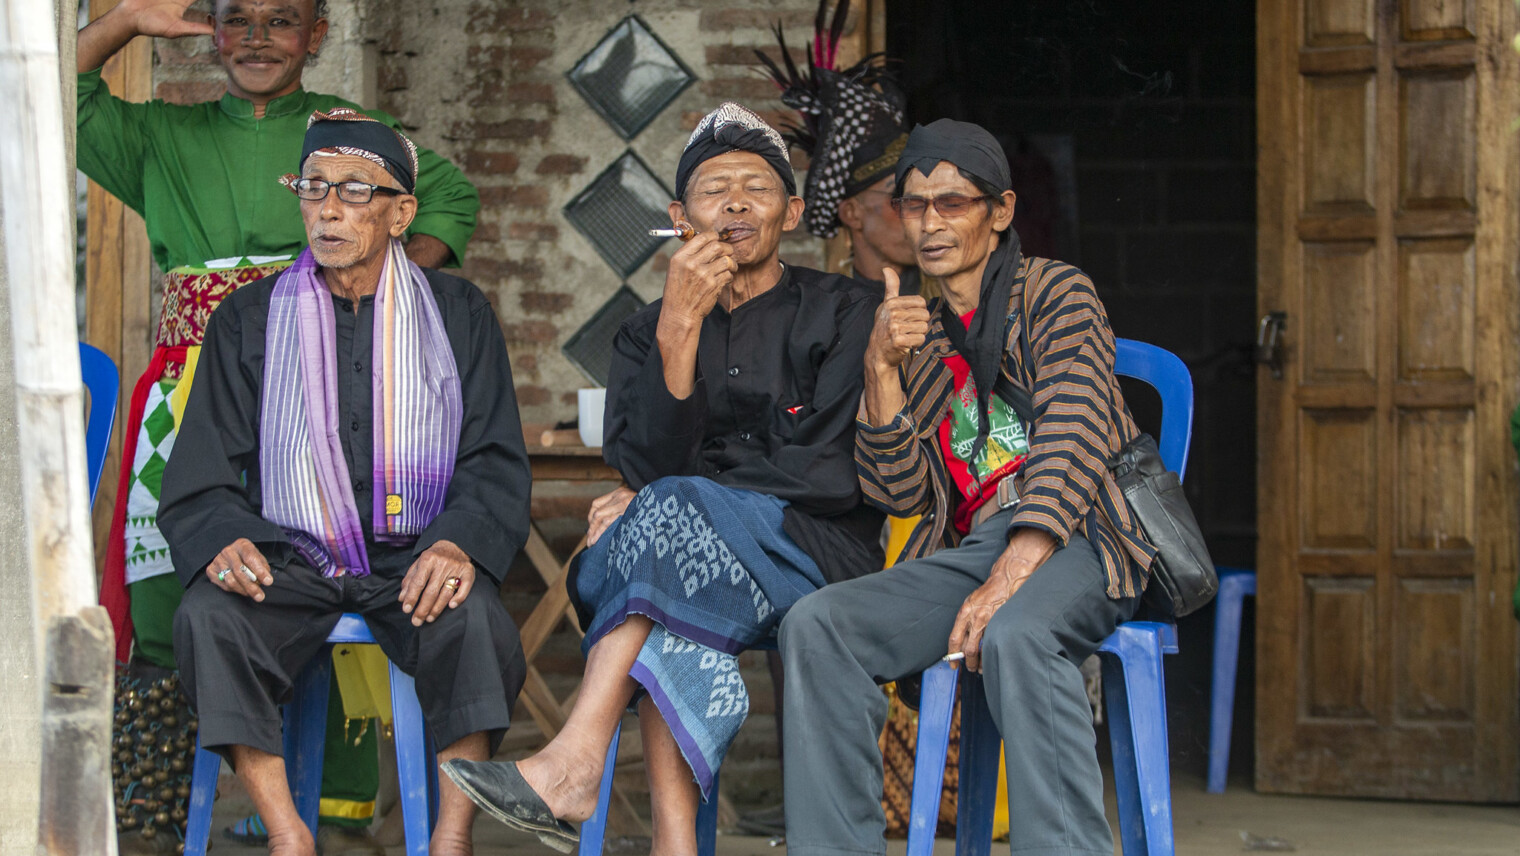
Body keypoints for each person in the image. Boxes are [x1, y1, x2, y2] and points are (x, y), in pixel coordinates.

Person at [76, 0, 478, 848]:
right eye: (237, 19)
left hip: (335, 388)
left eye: (282, 20)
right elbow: (48, 99)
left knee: (341, 556)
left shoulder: (342, 137)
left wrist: (379, 299)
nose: (257, 38)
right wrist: (126, 20)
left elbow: (445, 195)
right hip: (197, 390)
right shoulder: (160, 136)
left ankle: (327, 805)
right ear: (210, 31)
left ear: (318, 35)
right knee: (177, 593)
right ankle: (157, 807)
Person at [441, 102, 883, 855]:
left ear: (795, 211)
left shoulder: (847, 310)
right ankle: (668, 843)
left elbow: (831, 471)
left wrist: (683, 497)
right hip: (684, 557)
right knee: (668, 567)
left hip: (815, 556)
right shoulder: (646, 328)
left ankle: (580, 760)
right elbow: (643, 467)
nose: (736, 202)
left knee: (662, 534)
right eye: (715, 190)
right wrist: (680, 324)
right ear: (681, 217)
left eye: (758, 187)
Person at [779, 119, 1155, 856]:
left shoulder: (1055, 293)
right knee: (818, 626)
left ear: (1001, 212)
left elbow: (1077, 427)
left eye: (953, 203)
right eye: (916, 205)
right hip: (975, 548)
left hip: (1081, 534)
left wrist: (1016, 567)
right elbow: (900, 492)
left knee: (1019, 633)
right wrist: (880, 369)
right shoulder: (920, 335)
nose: (931, 222)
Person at [156, 110, 525, 856]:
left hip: (414, 555)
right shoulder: (249, 318)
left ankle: (450, 840)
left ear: (401, 213)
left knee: (476, 620)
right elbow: (201, 468)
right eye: (313, 187)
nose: (327, 208)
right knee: (207, 617)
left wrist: (457, 544)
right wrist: (224, 535)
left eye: (355, 191)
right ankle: (290, 834)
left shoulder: (459, 314)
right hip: (290, 559)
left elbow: (491, 457)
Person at [756, 0, 920, 294]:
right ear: (852, 214)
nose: (921, 213)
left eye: (922, 195)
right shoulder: (821, 316)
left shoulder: (957, 303)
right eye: (899, 196)